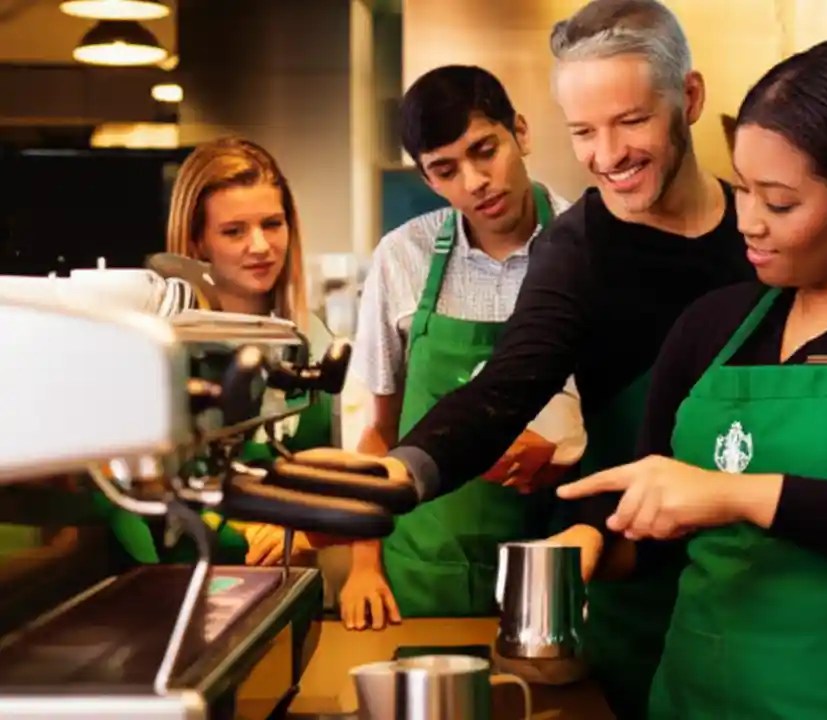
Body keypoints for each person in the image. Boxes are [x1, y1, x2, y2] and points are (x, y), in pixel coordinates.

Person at [302, 2, 754, 716]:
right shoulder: (574, 251)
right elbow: (505, 388)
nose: (608, 155)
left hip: (754, 584)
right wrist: (395, 477)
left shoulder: (761, 234)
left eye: (630, 121)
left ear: (688, 99)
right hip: (618, 575)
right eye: (583, 132)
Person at [557, 38, 827, 719]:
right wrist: (594, 541)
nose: (749, 222)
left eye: (781, 202)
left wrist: (738, 496)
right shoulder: (714, 323)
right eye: (744, 189)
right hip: (692, 703)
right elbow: (657, 528)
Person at [340, 65, 585, 627]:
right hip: (424, 569)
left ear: (520, 133)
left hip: (551, 559)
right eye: (446, 170)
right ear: (428, 181)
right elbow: (381, 429)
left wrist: (562, 448)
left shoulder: (587, 242)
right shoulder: (402, 256)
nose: (475, 181)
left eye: (485, 150)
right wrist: (363, 567)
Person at [105, 136, 337, 567]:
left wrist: (308, 531)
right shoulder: (155, 348)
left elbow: (332, 483)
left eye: (272, 224)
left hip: (281, 580)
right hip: (172, 581)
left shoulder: (312, 341)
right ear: (196, 244)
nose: (261, 246)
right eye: (234, 231)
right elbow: (134, 501)